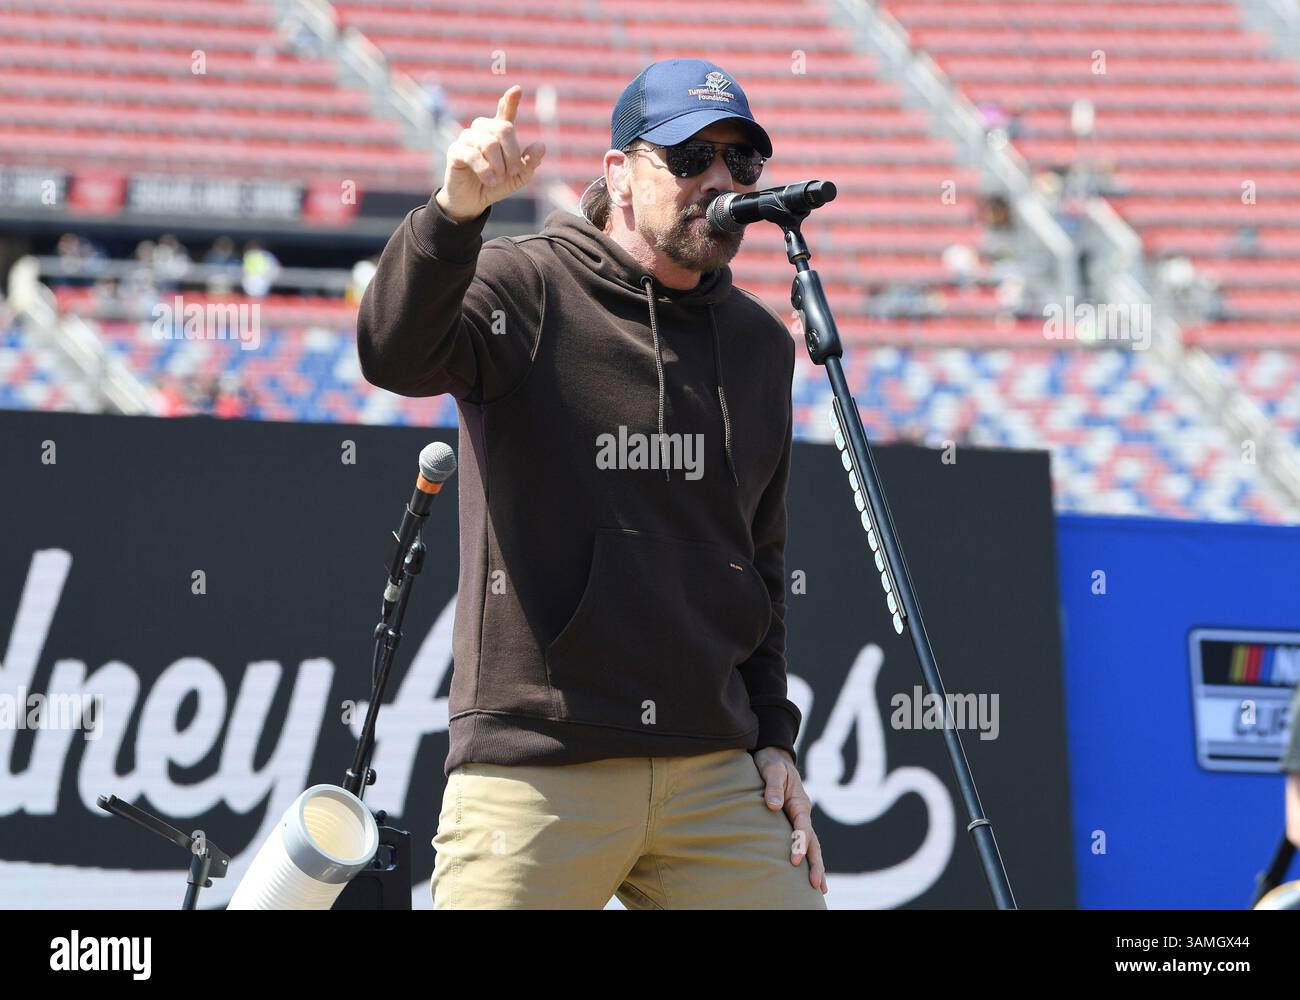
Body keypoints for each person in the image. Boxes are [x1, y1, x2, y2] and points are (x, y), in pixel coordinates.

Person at [358, 58, 828, 909]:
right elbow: (393, 353)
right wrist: (455, 214)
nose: (720, 180)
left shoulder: (762, 345)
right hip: (538, 763)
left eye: (741, 161)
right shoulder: (526, 283)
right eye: (691, 158)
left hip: (714, 769)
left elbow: (758, 560)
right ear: (618, 172)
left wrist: (774, 739)